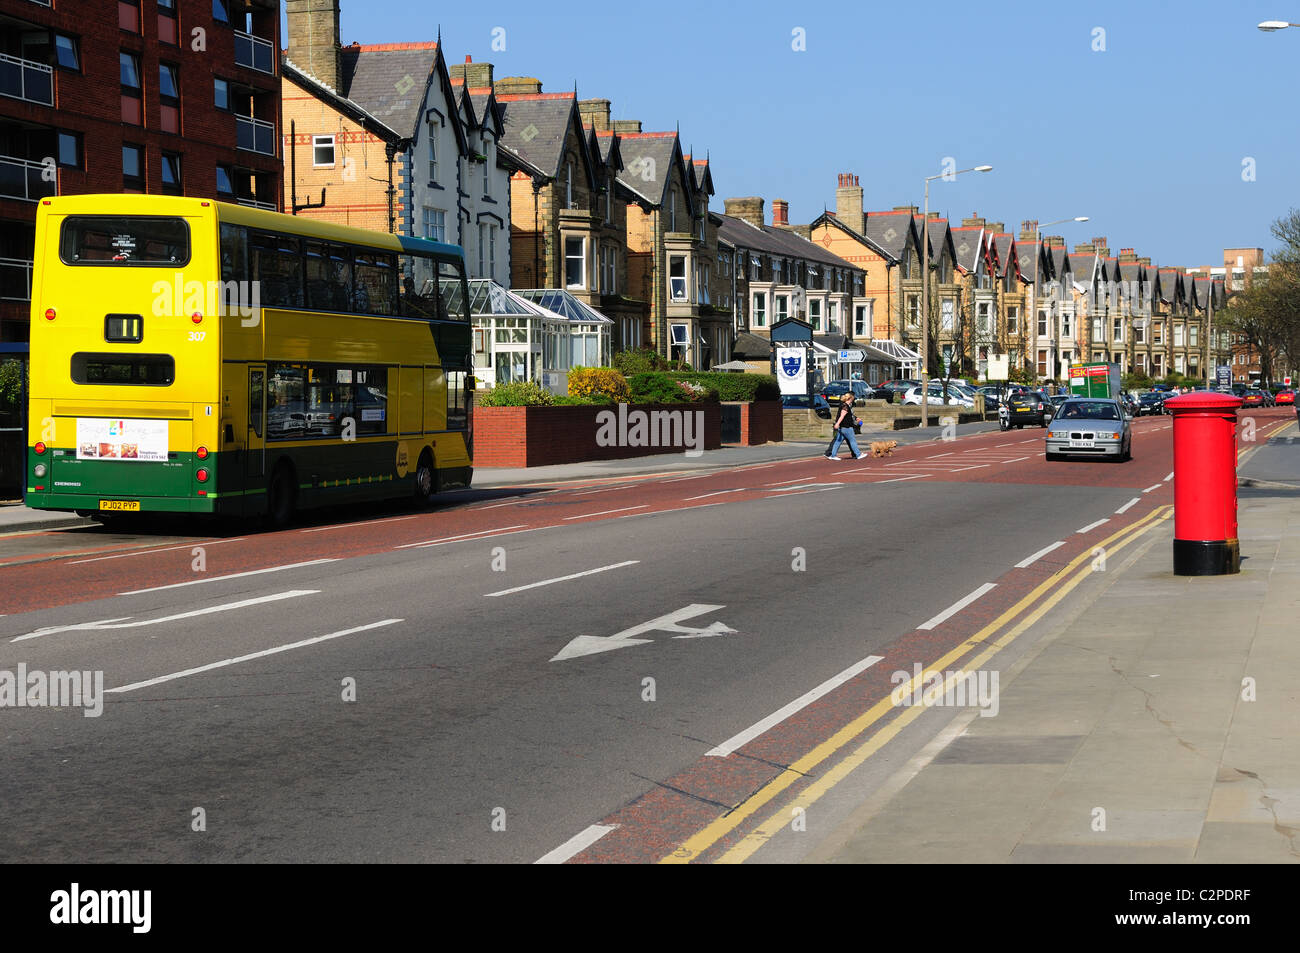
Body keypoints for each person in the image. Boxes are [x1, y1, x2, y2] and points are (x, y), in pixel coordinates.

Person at [825, 392, 866, 460]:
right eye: (852, 399)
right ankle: (858, 454)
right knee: (852, 441)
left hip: (842, 427)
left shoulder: (844, 405)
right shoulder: (845, 406)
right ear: (850, 399)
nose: (853, 400)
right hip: (847, 427)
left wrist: (855, 418)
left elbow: (846, 416)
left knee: (838, 441)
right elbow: (842, 416)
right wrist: (837, 424)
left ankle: (833, 455)